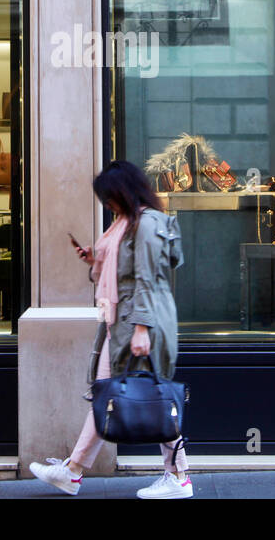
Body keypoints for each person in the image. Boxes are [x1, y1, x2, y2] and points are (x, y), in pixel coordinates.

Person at [30, 160, 192, 499]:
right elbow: (126, 270)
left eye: (109, 198)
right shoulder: (124, 222)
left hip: (141, 322)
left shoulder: (145, 224)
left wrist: (142, 330)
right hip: (122, 321)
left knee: (155, 398)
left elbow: (148, 278)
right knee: (108, 395)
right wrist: (95, 259)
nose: (106, 205)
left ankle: (178, 477)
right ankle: (73, 471)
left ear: (124, 192)